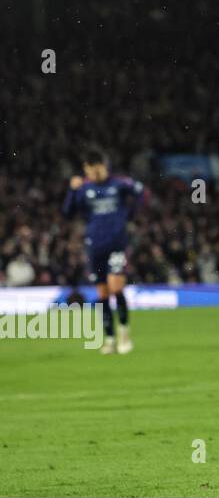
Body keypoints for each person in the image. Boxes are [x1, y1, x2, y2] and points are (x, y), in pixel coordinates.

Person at [61, 146, 147, 355]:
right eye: (88, 170)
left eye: (93, 169)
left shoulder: (119, 184)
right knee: (103, 294)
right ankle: (109, 338)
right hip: (95, 246)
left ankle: (124, 334)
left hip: (117, 245)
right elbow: (67, 213)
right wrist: (72, 191)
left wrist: (130, 214)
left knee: (116, 287)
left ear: (102, 166)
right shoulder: (83, 189)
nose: (91, 173)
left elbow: (142, 193)